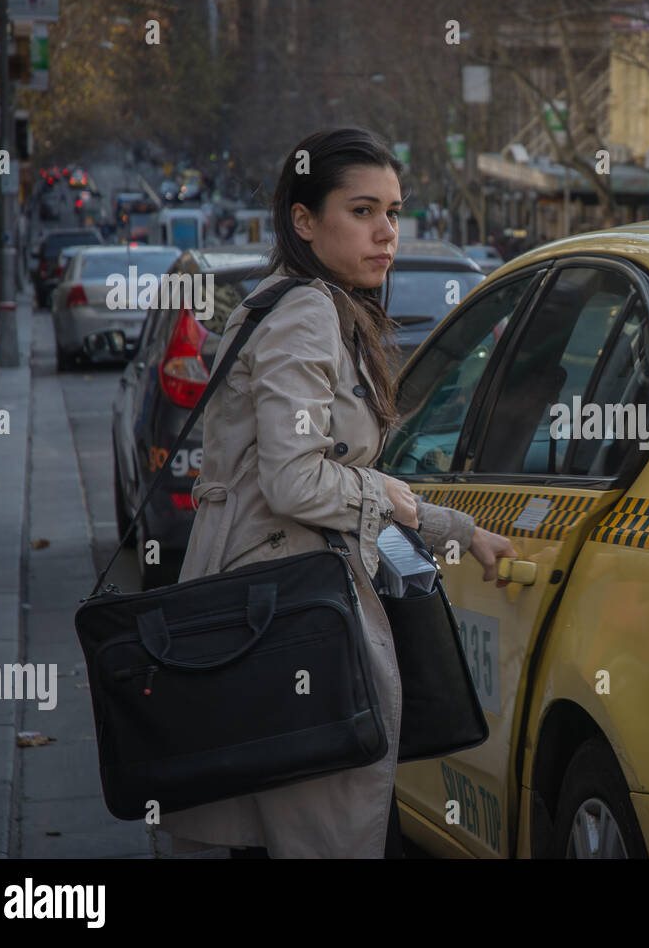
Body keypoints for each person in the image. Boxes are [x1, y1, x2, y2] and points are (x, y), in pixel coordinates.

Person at [160, 127, 515, 858]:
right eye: (361, 211)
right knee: (321, 834)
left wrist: (453, 527)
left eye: (393, 210)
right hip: (288, 617)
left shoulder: (300, 303)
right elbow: (298, 480)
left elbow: (330, 475)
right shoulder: (305, 313)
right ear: (303, 220)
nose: (386, 232)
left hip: (265, 605)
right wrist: (431, 517)